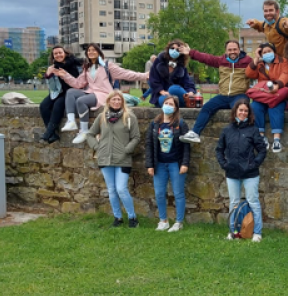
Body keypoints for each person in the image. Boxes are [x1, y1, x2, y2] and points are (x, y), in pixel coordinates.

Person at [57, 43, 148, 144]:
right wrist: (65, 75)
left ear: (99, 52)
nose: (91, 52)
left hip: (104, 94)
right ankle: (71, 121)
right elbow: (78, 83)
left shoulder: (107, 65)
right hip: (91, 92)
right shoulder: (87, 67)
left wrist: (144, 75)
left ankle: (84, 130)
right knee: (70, 92)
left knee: (81, 101)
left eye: (93, 50)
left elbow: (125, 74)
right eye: (89, 51)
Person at [86, 91, 141, 228]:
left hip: (123, 158)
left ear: (122, 102)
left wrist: (127, 149)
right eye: (114, 99)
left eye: (119, 100)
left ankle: (132, 217)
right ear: (109, 101)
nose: (116, 102)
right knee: (111, 190)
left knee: (121, 189)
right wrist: (97, 147)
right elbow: (90, 135)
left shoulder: (129, 117)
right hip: (105, 158)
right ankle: (117, 217)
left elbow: (136, 137)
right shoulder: (102, 117)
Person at [179, 40, 253, 144]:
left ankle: (243, 137)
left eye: (235, 49)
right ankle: (195, 133)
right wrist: (191, 52)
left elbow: (258, 67)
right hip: (223, 96)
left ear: (239, 50)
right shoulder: (221, 60)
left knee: (240, 110)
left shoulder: (247, 61)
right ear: (226, 51)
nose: (232, 52)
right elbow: (206, 58)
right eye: (230, 50)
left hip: (239, 95)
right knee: (207, 107)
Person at [216, 98, 268, 242]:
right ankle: (234, 232)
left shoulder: (253, 130)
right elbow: (219, 150)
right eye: (240, 110)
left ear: (249, 113)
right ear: (235, 112)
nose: (243, 113)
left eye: (246, 111)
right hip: (232, 173)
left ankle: (257, 232)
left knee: (253, 201)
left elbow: (262, 150)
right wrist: (224, 165)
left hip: (250, 173)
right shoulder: (227, 130)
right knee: (234, 202)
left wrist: (254, 164)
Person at [146, 96, 190, 233]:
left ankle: (178, 222)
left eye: (171, 104)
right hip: (160, 164)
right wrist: (150, 164)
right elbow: (149, 145)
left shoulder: (180, 124)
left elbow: (187, 146)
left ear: (176, 108)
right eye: (166, 103)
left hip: (175, 164)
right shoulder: (154, 124)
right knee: (159, 193)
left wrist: (185, 163)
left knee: (178, 193)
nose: (168, 106)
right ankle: (163, 220)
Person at [245, 42, 288, 153]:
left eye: (269, 51)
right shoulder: (260, 64)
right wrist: (256, 59)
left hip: (278, 93)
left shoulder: (282, 61)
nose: (267, 54)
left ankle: (276, 139)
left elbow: (285, 74)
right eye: (264, 52)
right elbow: (249, 74)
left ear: (274, 51)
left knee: (275, 107)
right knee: (255, 107)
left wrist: (277, 85)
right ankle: (261, 136)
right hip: (263, 94)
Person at [39, 45, 82, 144]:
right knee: (43, 106)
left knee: (58, 104)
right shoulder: (54, 68)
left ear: (65, 53)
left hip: (72, 92)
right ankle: (53, 135)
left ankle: (48, 133)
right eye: (55, 54)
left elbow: (79, 82)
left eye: (60, 52)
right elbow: (53, 88)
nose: (58, 55)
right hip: (59, 92)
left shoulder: (76, 63)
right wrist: (48, 75)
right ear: (53, 56)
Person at [148, 40, 196, 108]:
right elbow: (153, 78)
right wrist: (161, 91)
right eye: (172, 48)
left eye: (177, 49)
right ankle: (184, 103)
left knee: (173, 89)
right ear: (168, 49)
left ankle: (188, 100)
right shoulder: (158, 61)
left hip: (177, 95)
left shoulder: (181, 66)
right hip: (162, 95)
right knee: (165, 102)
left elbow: (188, 82)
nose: (174, 50)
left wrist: (190, 92)